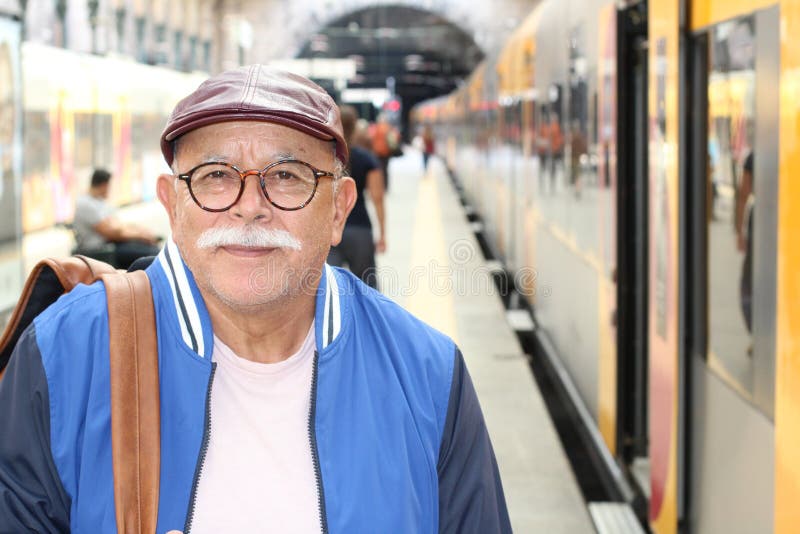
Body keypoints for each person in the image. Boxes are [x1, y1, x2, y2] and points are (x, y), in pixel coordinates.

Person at [0, 65, 510, 532]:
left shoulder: (428, 374)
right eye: (216, 176)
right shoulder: (63, 354)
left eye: (286, 177)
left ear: (339, 209)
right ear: (172, 207)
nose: (249, 208)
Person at [327, 105, 386, 289]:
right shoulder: (366, 159)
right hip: (360, 229)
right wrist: (383, 233)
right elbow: (377, 198)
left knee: (328, 289)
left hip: (329, 228)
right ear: (354, 127)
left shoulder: (324, 159)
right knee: (367, 288)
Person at [73, 168, 161, 269]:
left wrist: (141, 231)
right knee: (151, 253)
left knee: (150, 249)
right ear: (104, 185)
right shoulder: (86, 205)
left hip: (111, 245)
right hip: (100, 251)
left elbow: (119, 226)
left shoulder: (99, 202)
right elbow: (112, 233)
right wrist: (140, 236)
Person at [369, 113, 400, 191]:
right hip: (386, 152)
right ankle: (386, 186)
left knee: (378, 169)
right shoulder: (388, 128)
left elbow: (371, 138)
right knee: (385, 170)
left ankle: (380, 186)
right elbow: (396, 137)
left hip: (377, 152)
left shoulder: (375, 128)